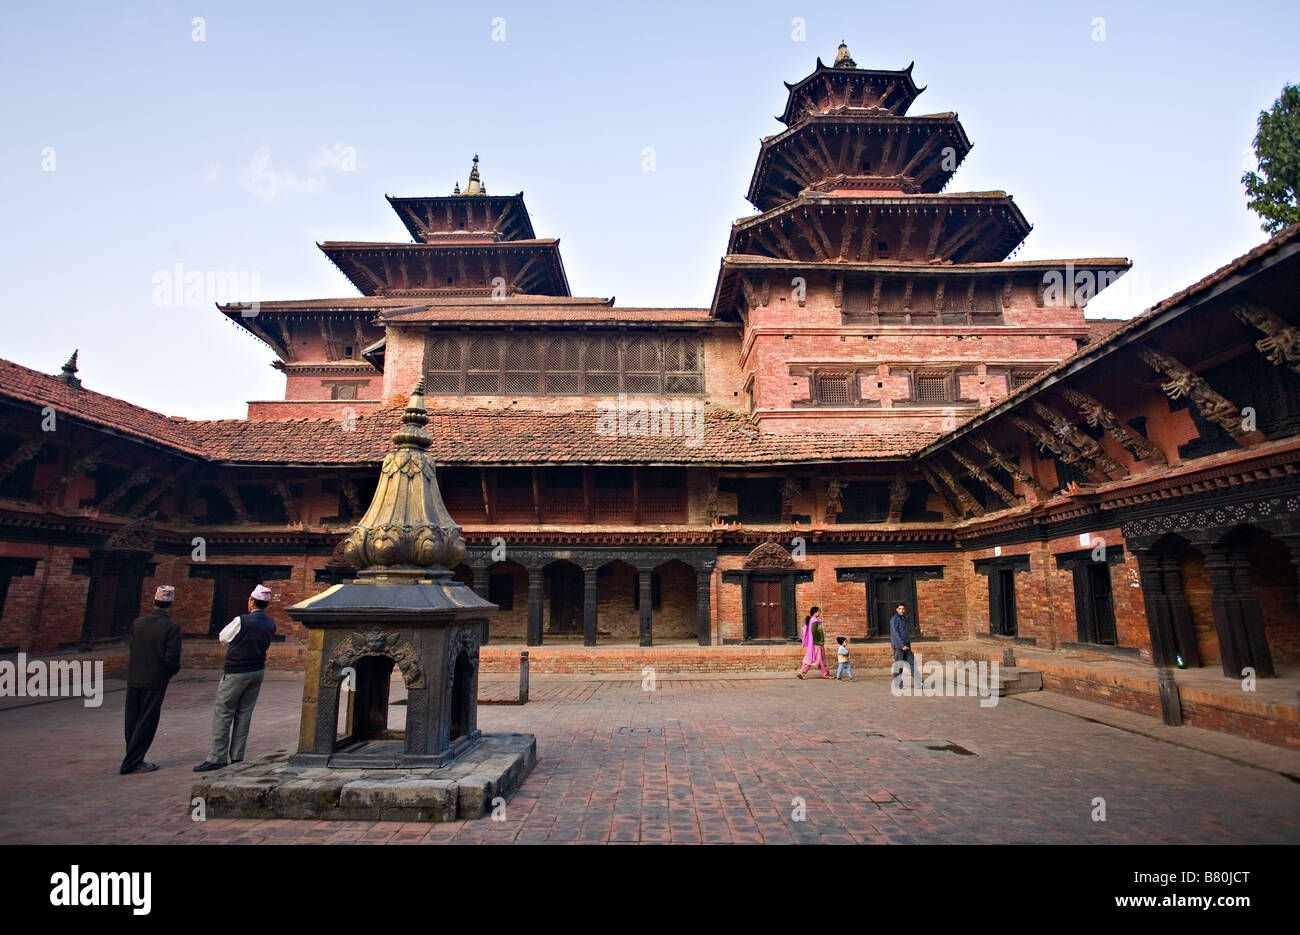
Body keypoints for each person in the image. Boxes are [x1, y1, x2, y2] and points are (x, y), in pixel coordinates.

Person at [194, 584, 276, 772]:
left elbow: (223, 637)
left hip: (237, 671)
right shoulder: (270, 623)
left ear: (252, 601)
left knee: (224, 712)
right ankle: (238, 755)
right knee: (244, 713)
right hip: (257, 670)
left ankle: (217, 757)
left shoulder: (242, 620)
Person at [121, 585, 182, 774]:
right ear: (171, 603)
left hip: (135, 677)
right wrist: (170, 672)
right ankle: (132, 762)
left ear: (154, 601)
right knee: (147, 721)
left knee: (132, 719)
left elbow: (132, 647)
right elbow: (171, 658)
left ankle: (132, 755)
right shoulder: (171, 627)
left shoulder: (138, 623)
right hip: (155, 680)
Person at [797, 606, 832, 679]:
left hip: (816, 643)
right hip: (817, 644)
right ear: (814, 612)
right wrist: (819, 641)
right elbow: (814, 632)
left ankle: (802, 672)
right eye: (818, 612)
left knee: (814, 659)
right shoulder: (815, 621)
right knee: (819, 659)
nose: (819, 613)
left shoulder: (813, 620)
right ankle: (826, 674)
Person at [889, 603, 916, 689]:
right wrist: (902, 645)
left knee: (912, 663)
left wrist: (907, 644)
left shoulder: (905, 619)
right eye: (900, 609)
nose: (901, 610)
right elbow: (895, 634)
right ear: (897, 609)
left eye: (903, 609)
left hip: (906, 646)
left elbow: (906, 633)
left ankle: (919, 681)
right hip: (898, 646)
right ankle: (898, 682)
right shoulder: (894, 619)